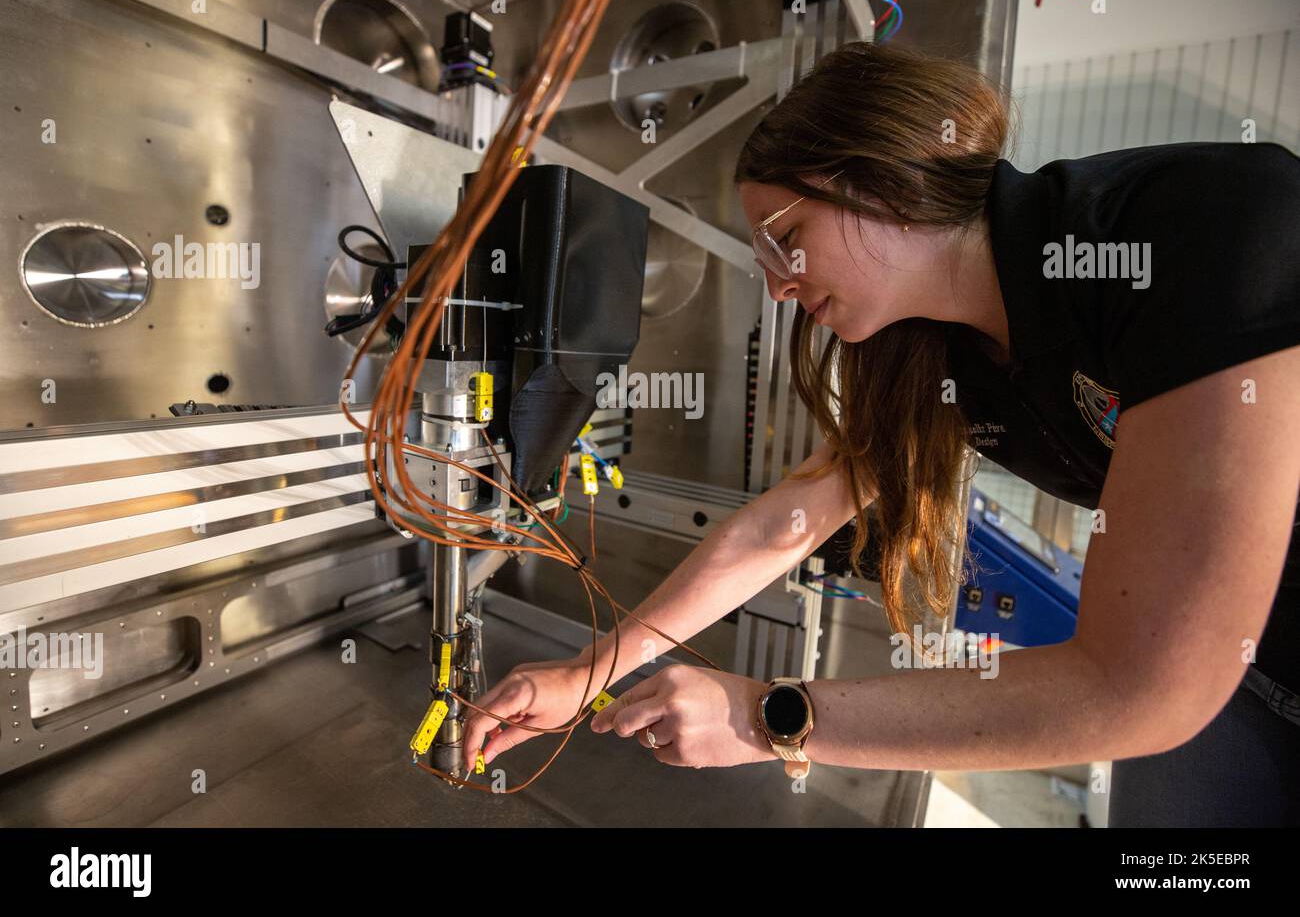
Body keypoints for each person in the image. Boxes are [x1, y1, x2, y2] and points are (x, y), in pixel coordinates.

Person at [464, 42, 1300, 826]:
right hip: (1243, 677)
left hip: (1202, 678)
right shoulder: (942, 352)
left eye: (787, 240)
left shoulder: (1199, 228)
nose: (782, 291)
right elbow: (781, 525)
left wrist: (769, 718)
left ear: (884, 183)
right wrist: (589, 674)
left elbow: (1138, 686)